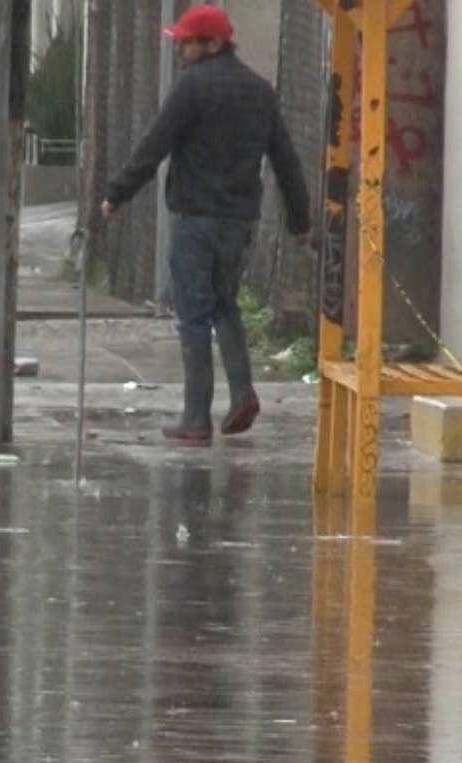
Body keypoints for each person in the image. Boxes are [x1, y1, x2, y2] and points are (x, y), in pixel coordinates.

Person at [100, 4, 312, 445]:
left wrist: (117, 194)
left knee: (194, 313)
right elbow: (286, 160)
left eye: (186, 44)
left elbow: (154, 145)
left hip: (196, 218)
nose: (180, 52)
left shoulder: (192, 87)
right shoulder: (260, 91)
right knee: (224, 304)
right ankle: (242, 394)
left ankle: (195, 418)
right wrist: (300, 219)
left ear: (212, 44)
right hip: (240, 222)